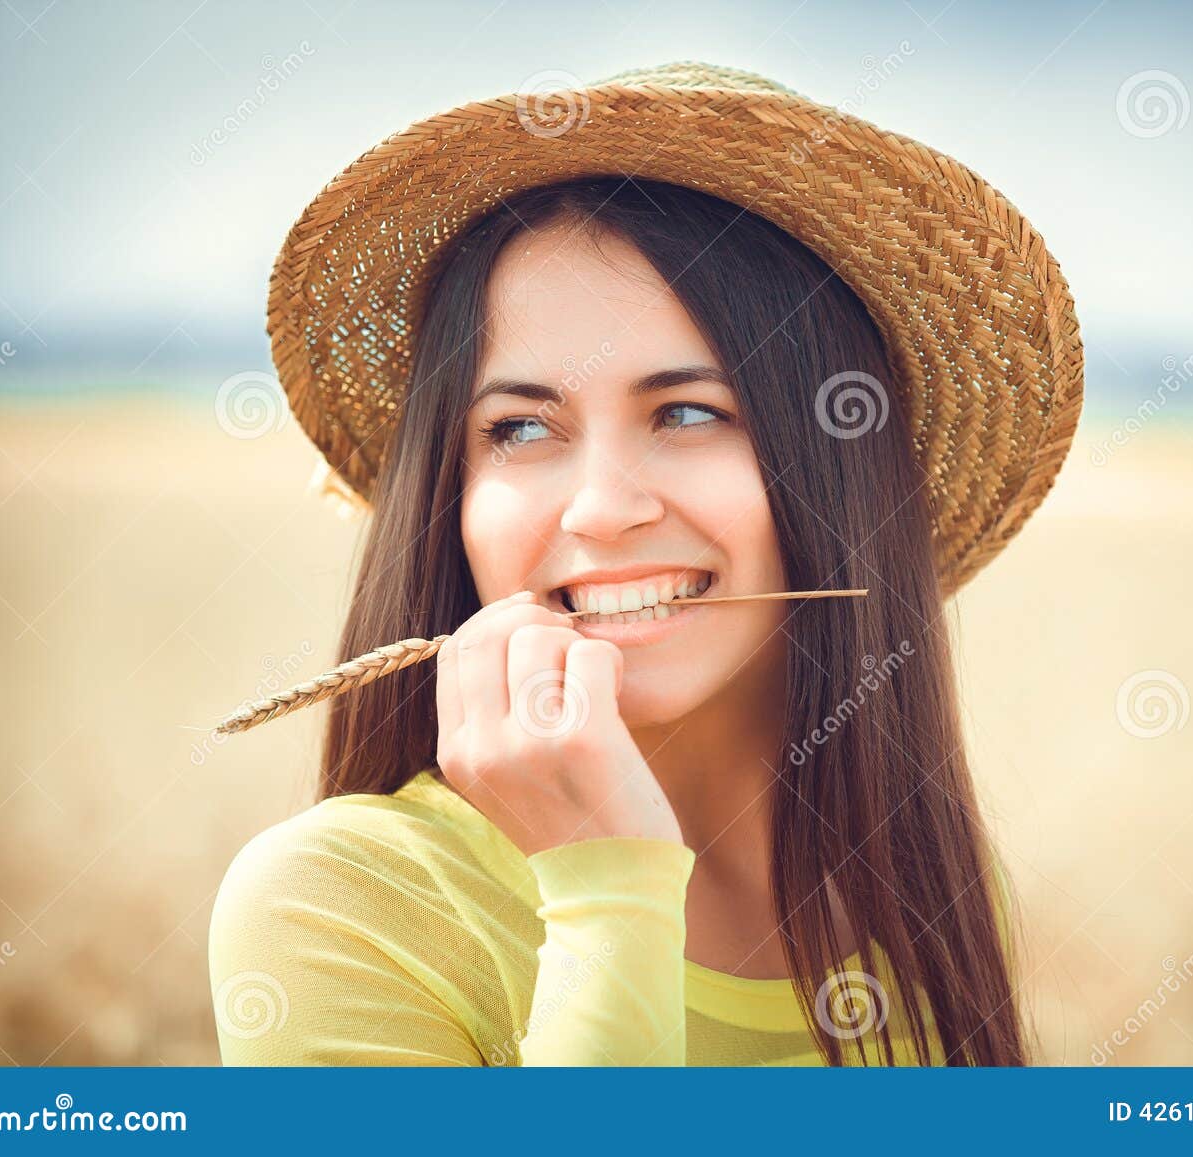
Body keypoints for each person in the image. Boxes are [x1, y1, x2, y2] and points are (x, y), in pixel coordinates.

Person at [208, 61, 1084, 1066]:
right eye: (523, 427)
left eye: (686, 412)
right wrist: (607, 886)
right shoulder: (340, 905)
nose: (601, 508)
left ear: (838, 462)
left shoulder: (920, 884)